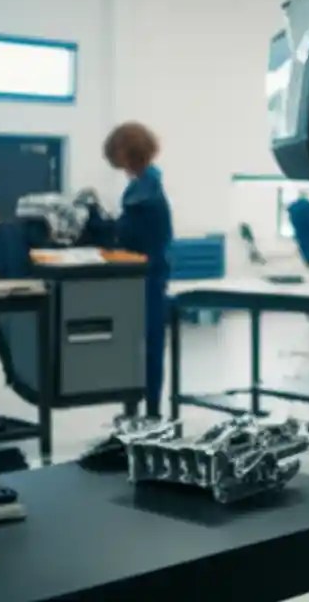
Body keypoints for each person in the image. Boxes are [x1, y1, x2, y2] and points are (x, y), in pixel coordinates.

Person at [104, 121, 174, 418]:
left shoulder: (145, 189)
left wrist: (106, 227)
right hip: (147, 275)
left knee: (146, 347)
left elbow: (130, 231)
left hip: (147, 278)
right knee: (140, 347)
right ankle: (139, 411)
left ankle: (150, 413)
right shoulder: (146, 183)